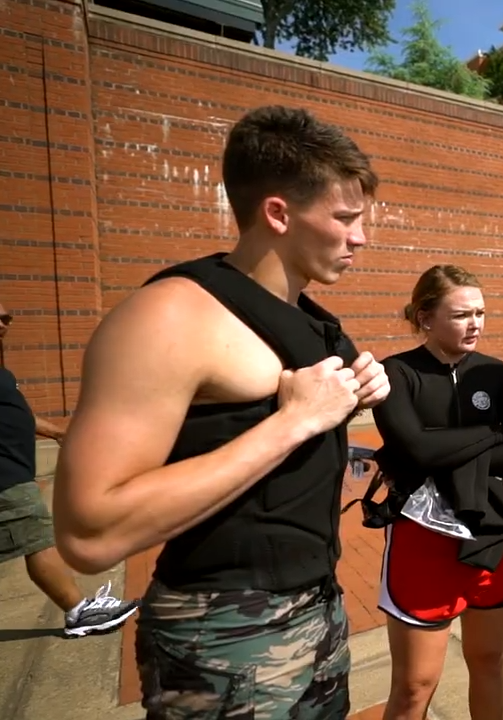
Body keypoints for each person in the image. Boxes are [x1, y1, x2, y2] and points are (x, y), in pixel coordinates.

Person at [52, 105, 389, 719]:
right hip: (220, 637)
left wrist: (359, 389)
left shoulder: (315, 323)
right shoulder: (169, 317)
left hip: (318, 614)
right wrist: (291, 423)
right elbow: (87, 533)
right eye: (345, 218)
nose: (360, 237)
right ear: (278, 214)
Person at [368, 264, 503, 720]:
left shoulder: (497, 374)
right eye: (462, 314)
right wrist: (492, 433)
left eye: (481, 313)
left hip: (494, 535)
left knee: (488, 660)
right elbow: (418, 452)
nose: (476, 323)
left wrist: (438, 449)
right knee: (415, 685)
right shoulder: (396, 374)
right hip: (422, 545)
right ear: (425, 317)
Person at [0, 303, 139, 638]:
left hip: (15, 468)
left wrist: (59, 432)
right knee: (37, 539)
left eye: (7, 315)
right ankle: (78, 612)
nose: (5, 320)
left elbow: (17, 413)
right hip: (6, 477)